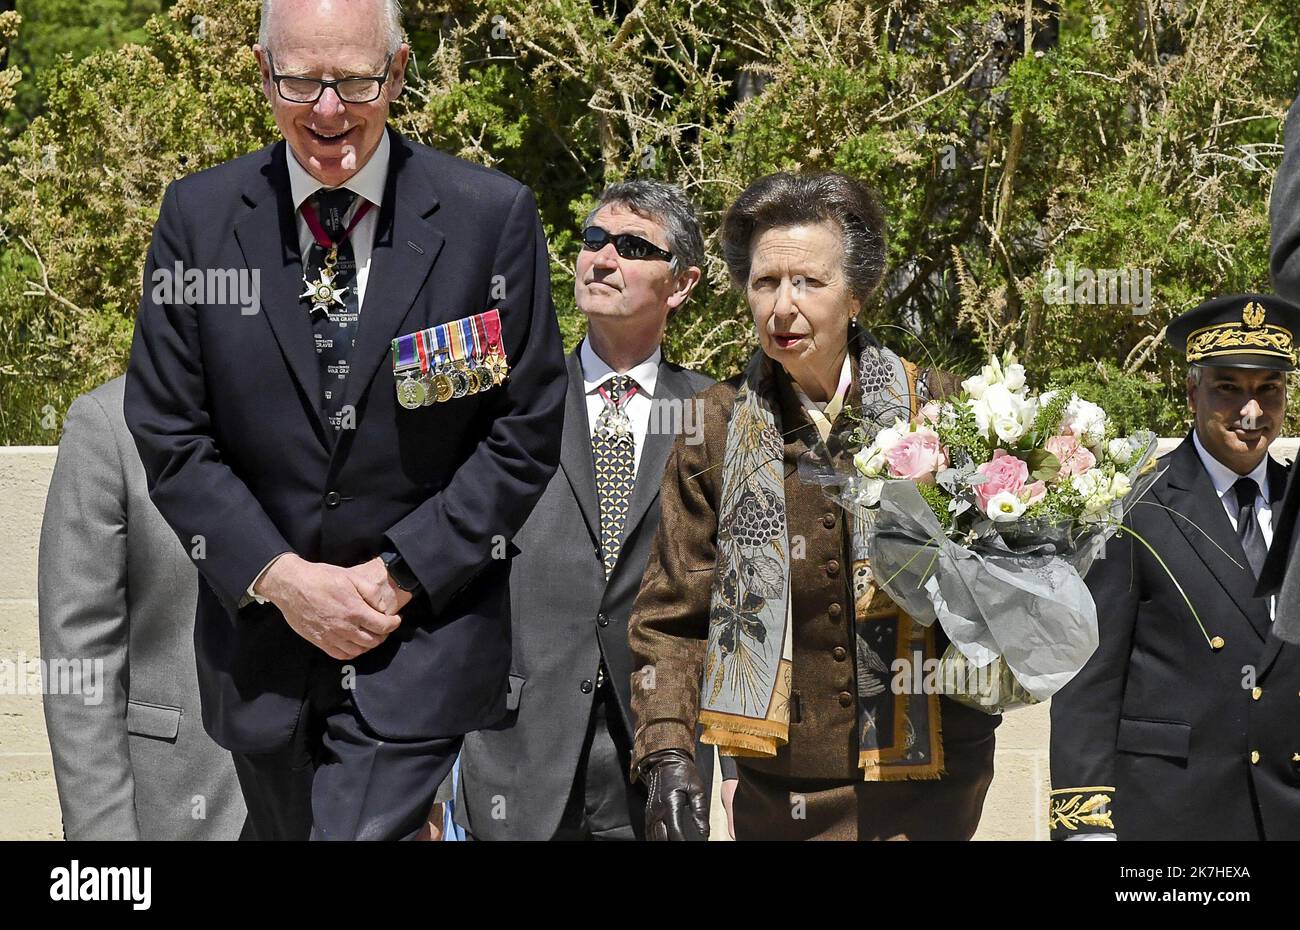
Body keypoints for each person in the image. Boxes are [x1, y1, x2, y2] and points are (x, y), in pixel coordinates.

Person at [124, 0, 565, 840]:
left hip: (418, 638)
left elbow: (525, 426)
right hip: (262, 653)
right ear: (263, 75)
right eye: (300, 81)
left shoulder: (488, 219)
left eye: (355, 81)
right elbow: (171, 432)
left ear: (397, 73)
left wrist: (397, 574)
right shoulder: (199, 222)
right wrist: (284, 581)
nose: (327, 111)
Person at [627, 171, 999, 841]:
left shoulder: (944, 409)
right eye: (765, 282)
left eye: (809, 283)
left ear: (855, 296)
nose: (782, 307)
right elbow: (674, 618)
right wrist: (669, 758)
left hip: (933, 785)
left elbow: (1001, 584)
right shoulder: (711, 428)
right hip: (780, 794)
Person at [456, 181, 718, 840]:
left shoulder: (718, 413)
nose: (601, 258)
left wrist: (735, 770)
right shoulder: (496, 385)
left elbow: (742, 605)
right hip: (513, 754)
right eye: (594, 239)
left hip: (658, 764)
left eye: (631, 246)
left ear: (680, 285)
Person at [1050, 294, 1300, 840]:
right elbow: (1088, 677)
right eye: (1228, 388)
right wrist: (1085, 826)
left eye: (1268, 390)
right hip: (1171, 816)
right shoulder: (1134, 506)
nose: (1251, 411)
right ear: (1192, 392)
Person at [39, 376, 247, 840]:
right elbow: (79, 664)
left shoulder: (329, 407)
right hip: (171, 812)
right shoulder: (108, 423)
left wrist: (425, 798)